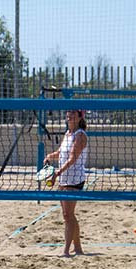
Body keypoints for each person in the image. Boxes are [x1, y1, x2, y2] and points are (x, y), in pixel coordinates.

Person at [43, 109, 89, 256]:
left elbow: (72, 158)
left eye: (73, 113)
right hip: (64, 178)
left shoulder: (80, 135)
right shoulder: (68, 134)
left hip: (74, 179)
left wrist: (57, 172)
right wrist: (51, 156)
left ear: (80, 117)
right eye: (68, 112)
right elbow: (62, 153)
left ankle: (66, 251)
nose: (69, 115)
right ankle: (78, 248)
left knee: (68, 215)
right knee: (68, 215)